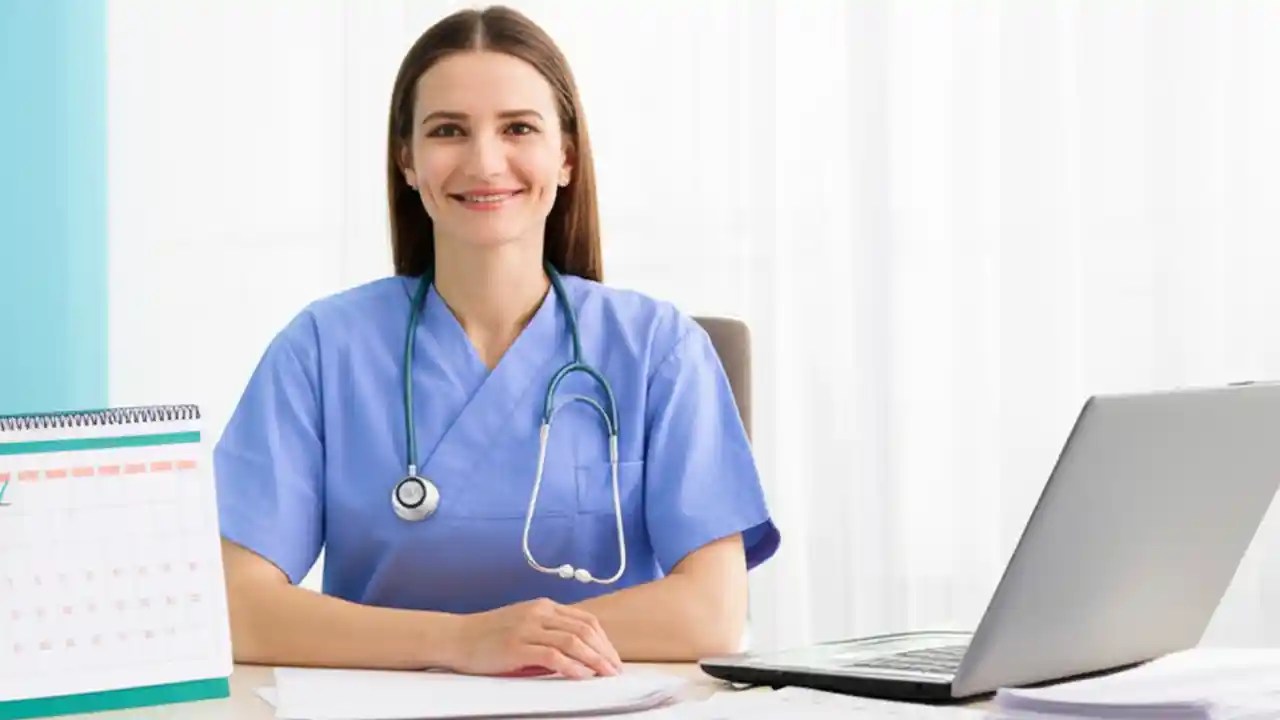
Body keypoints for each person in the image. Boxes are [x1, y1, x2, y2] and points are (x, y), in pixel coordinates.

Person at [214, 5, 779, 679]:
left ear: (565, 156)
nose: (485, 162)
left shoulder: (657, 349)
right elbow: (234, 607)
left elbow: (712, 613)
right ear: (408, 161)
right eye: (448, 130)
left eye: (519, 128)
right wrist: (462, 642)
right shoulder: (321, 351)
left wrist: (522, 643)